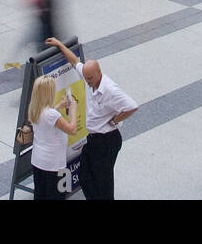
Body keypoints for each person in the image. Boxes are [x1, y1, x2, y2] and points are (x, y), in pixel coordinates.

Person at [45, 37, 138, 200]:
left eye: (90, 78)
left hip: (107, 140)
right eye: (85, 78)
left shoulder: (110, 89)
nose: (87, 81)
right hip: (94, 139)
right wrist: (60, 45)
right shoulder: (89, 78)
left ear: (99, 73)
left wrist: (116, 120)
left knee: (103, 181)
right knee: (85, 176)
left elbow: (132, 106)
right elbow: (75, 62)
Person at [27, 73, 78, 199]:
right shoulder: (51, 115)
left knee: (40, 194)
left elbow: (47, 118)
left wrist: (60, 105)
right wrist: (73, 109)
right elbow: (72, 129)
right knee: (58, 195)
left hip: (38, 161)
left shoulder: (34, 109)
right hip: (55, 164)